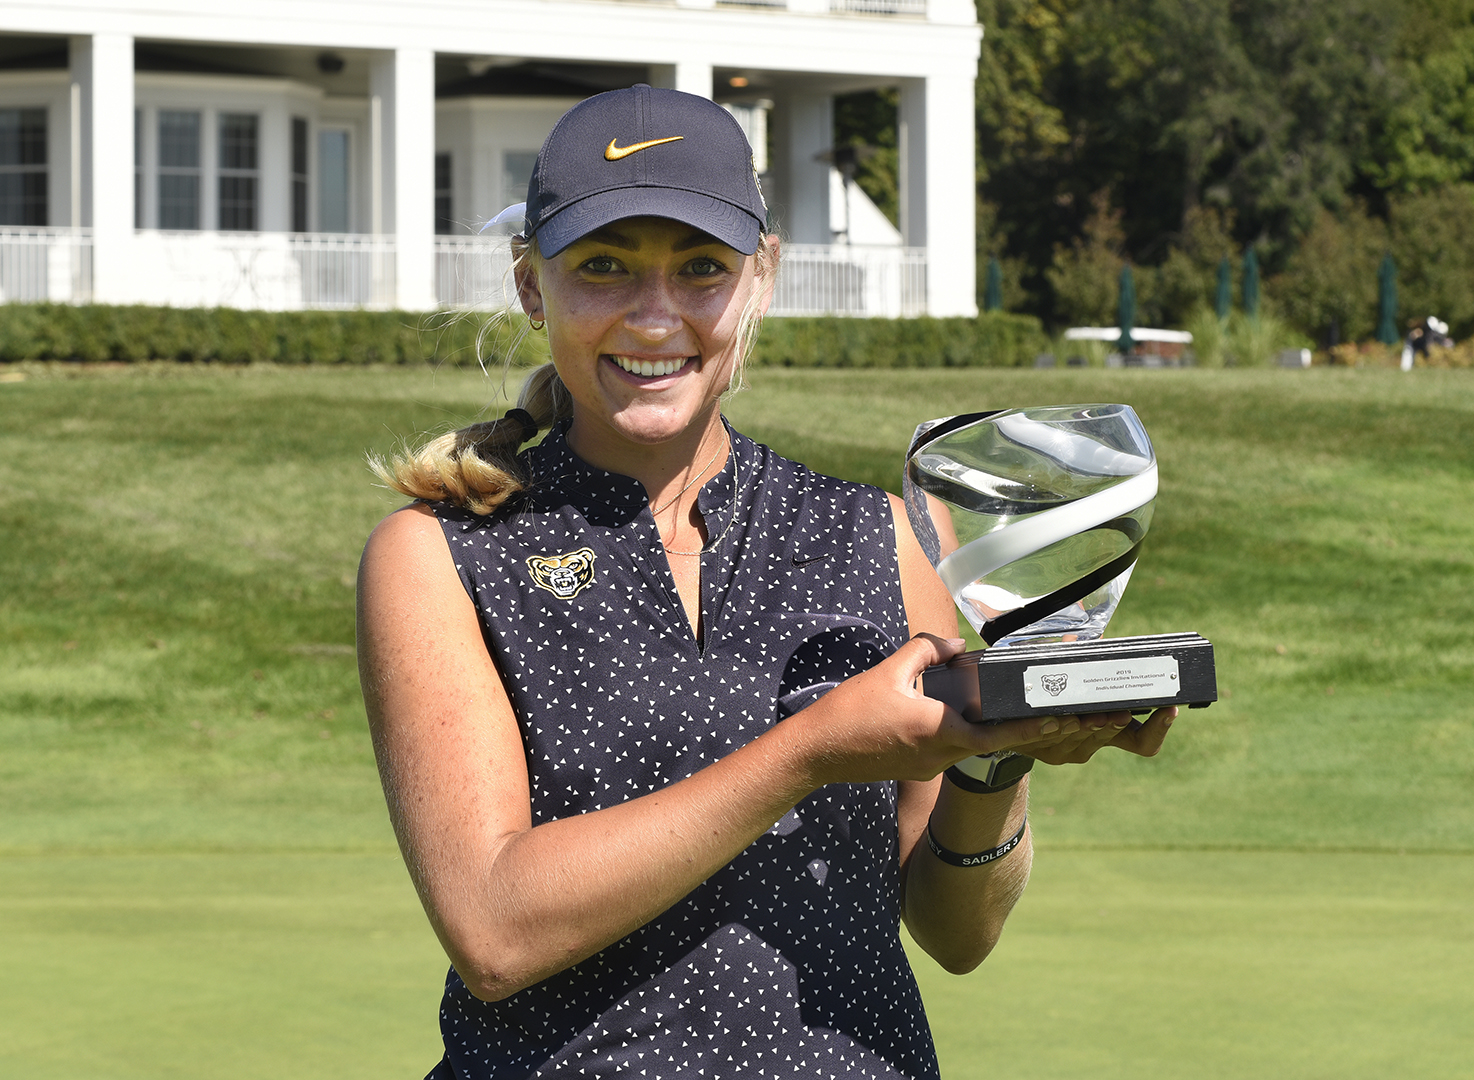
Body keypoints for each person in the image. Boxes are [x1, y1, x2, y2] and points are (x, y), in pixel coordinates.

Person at [357, 85, 1176, 1079]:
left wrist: (994, 760)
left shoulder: (884, 533)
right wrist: (809, 752)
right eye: (604, 267)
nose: (655, 316)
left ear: (763, 276)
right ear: (533, 287)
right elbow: (494, 932)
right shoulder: (446, 550)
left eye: (700, 268)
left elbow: (958, 935)